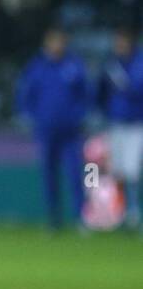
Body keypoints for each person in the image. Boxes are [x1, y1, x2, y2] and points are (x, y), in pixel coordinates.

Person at [17, 29, 90, 231]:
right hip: (46, 129)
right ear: (47, 43)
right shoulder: (37, 67)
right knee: (49, 175)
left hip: (71, 130)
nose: (58, 46)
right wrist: (29, 116)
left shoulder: (74, 65)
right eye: (54, 42)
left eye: (60, 42)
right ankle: (53, 218)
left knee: (75, 173)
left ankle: (80, 217)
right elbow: (25, 95)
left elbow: (85, 94)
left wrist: (80, 115)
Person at [98, 28, 143, 229]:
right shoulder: (110, 64)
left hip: (136, 124)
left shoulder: (138, 63)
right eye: (117, 42)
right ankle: (120, 213)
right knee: (118, 171)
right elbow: (100, 91)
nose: (119, 46)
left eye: (123, 42)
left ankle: (134, 212)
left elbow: (136, 89)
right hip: (116, 123)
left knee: (133, 170)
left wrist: (124, 81)